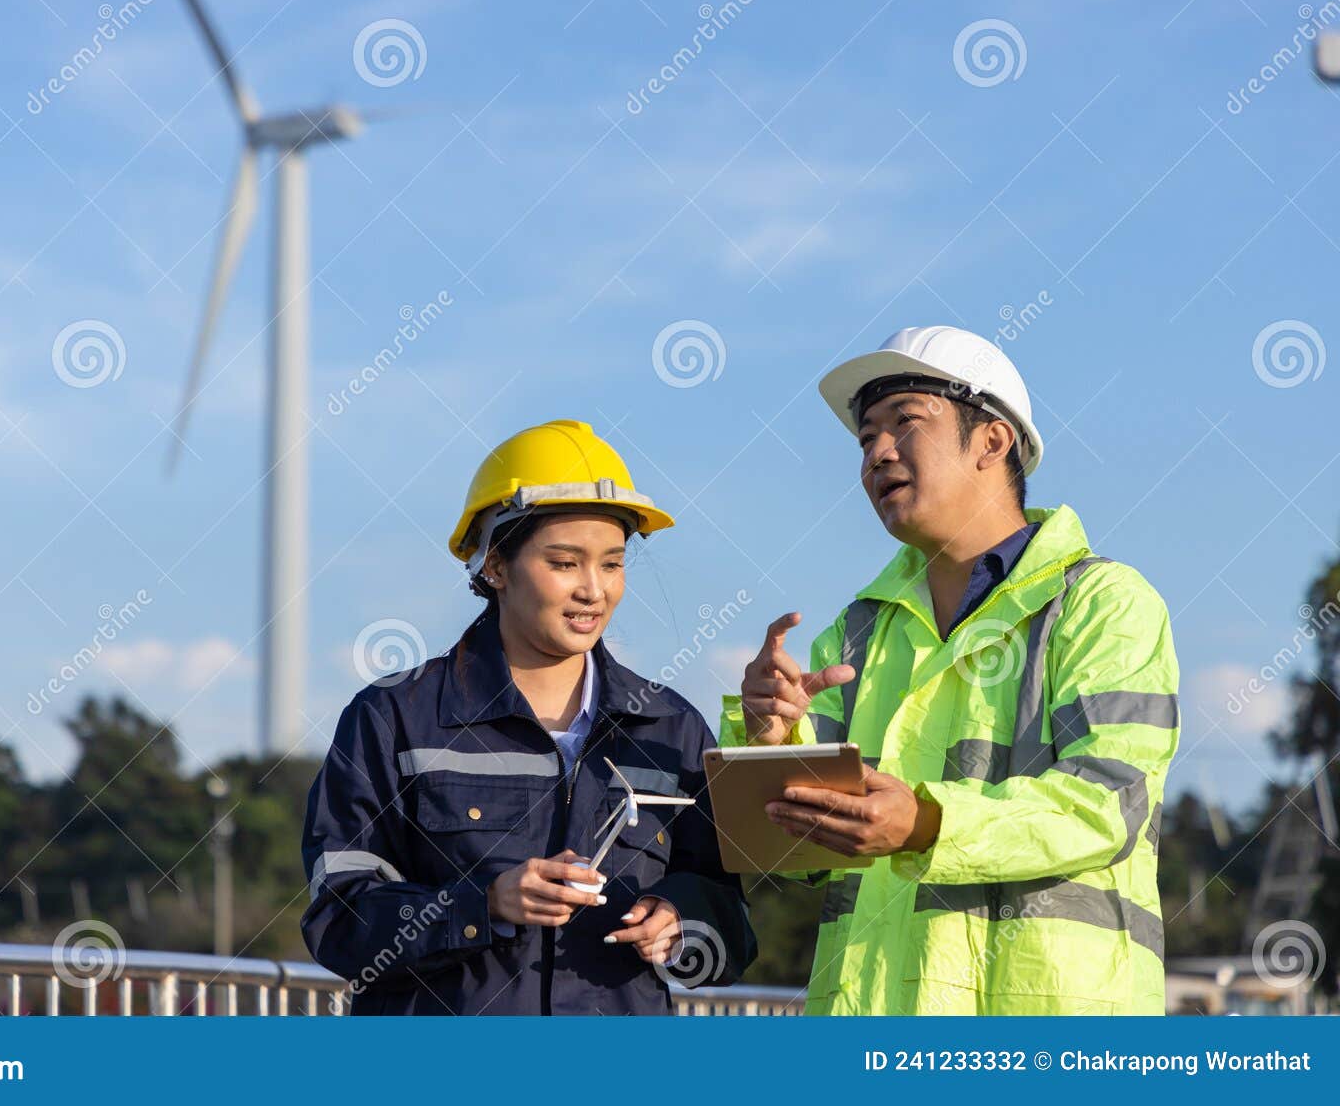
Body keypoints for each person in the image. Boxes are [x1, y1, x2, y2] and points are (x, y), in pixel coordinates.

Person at [722, 326, 1179, 1015]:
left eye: (905, 422)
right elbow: (789, 855)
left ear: (992, 441)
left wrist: (928, 822)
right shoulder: (855, 634)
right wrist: (768, 737)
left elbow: (1108, 804)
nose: (877, 450)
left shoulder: (1102, 603)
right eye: (866, 436)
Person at [304, 419, 755, 1014]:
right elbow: (339, 918)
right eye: (565, 563)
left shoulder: (669, 728)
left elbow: (732, 924)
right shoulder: (393, 719)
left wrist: (680, 921)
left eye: (613, 564)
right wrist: (481, 906)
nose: (594, 590)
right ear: (495, 565)